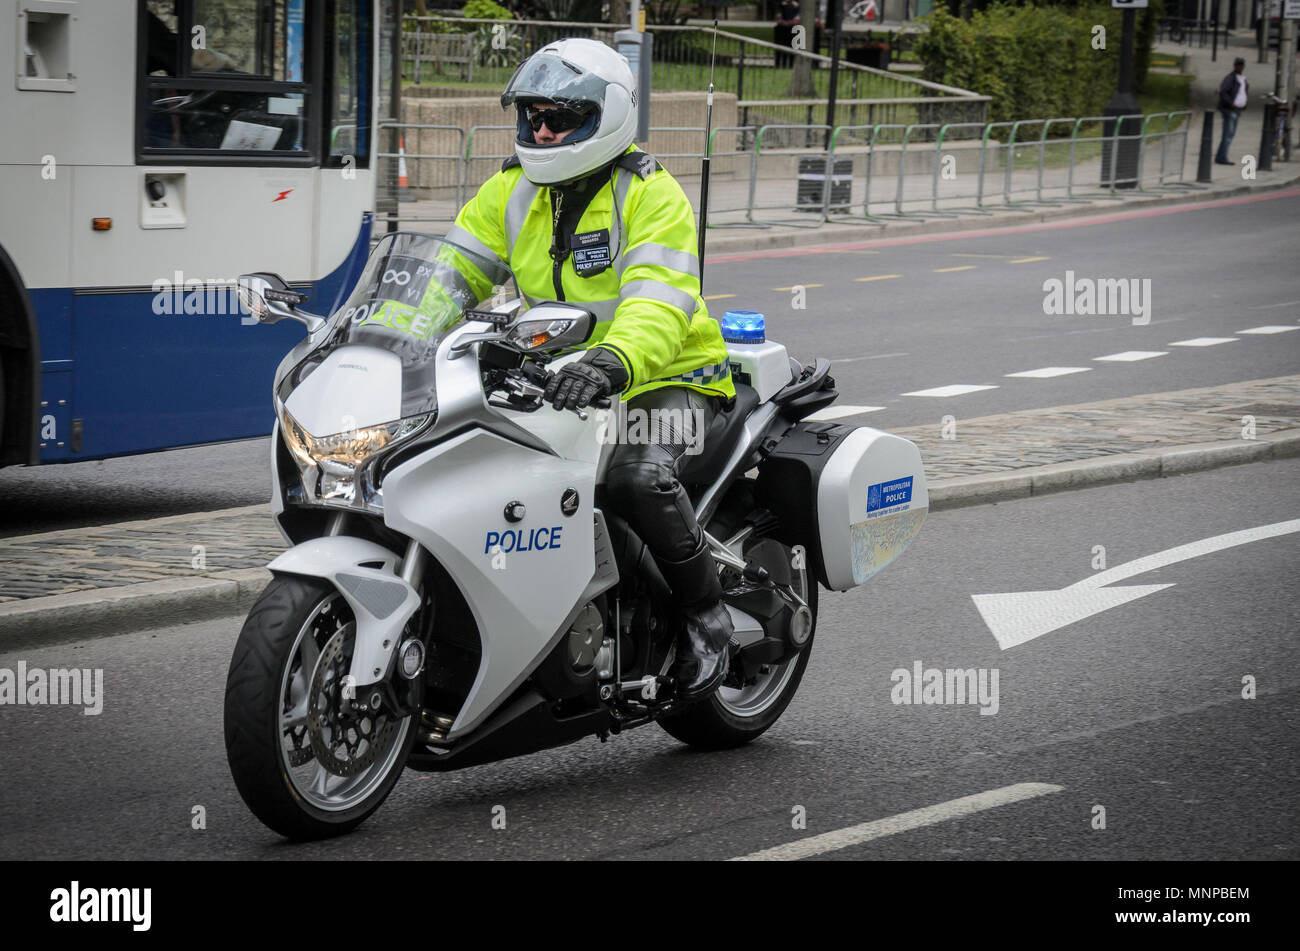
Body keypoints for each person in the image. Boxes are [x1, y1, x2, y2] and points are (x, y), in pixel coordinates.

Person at [445, 38, 739, 701]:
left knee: (635, 475)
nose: (543, 131)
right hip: (557, 380)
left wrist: (614, 361)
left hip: (668, 378)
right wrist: (388, 334)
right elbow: (446, 276)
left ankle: (705, 613)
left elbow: (659, 301)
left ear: (605, 117)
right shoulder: (509, 191)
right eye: (532, 116)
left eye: (561, 118)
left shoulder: (649, 193)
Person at [1215, 57, 1249, 165]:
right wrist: (1231, 104)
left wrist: (1243, 104)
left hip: (1237, 110)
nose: (1240, 66)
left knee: (1230, 134)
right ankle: (1222, 157)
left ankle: (1220, 156)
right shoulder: (1230, 78)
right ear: (1234, 65)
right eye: (1238, 64)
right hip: (1230, 110)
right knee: (1227, 135)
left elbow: (1242, 93)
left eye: (1241, 64)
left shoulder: (1242, 79)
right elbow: (1223, 92)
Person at [775, 0, 800, 68]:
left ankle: (792, 63)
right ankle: (782, 63)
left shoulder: (795, 3)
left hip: (794, 27)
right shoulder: (784, 4)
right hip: (783, 27)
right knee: (784, 45)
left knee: (793, 45)